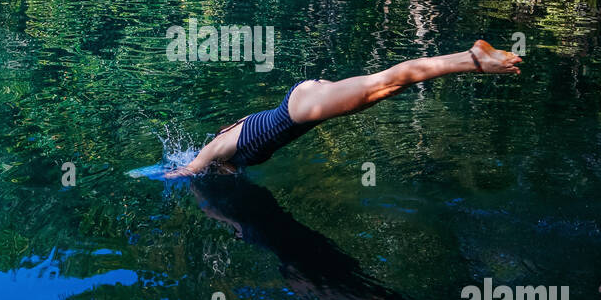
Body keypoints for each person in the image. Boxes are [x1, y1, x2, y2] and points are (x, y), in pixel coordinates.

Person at [164, 39, 522, 178]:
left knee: (388, 82)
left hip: (300, 110)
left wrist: (160, 176)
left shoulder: (213, 151)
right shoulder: (231, 149)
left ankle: (472, 58)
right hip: (302, 100)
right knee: (385, 89)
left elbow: (189, 170)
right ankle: (471, 58)